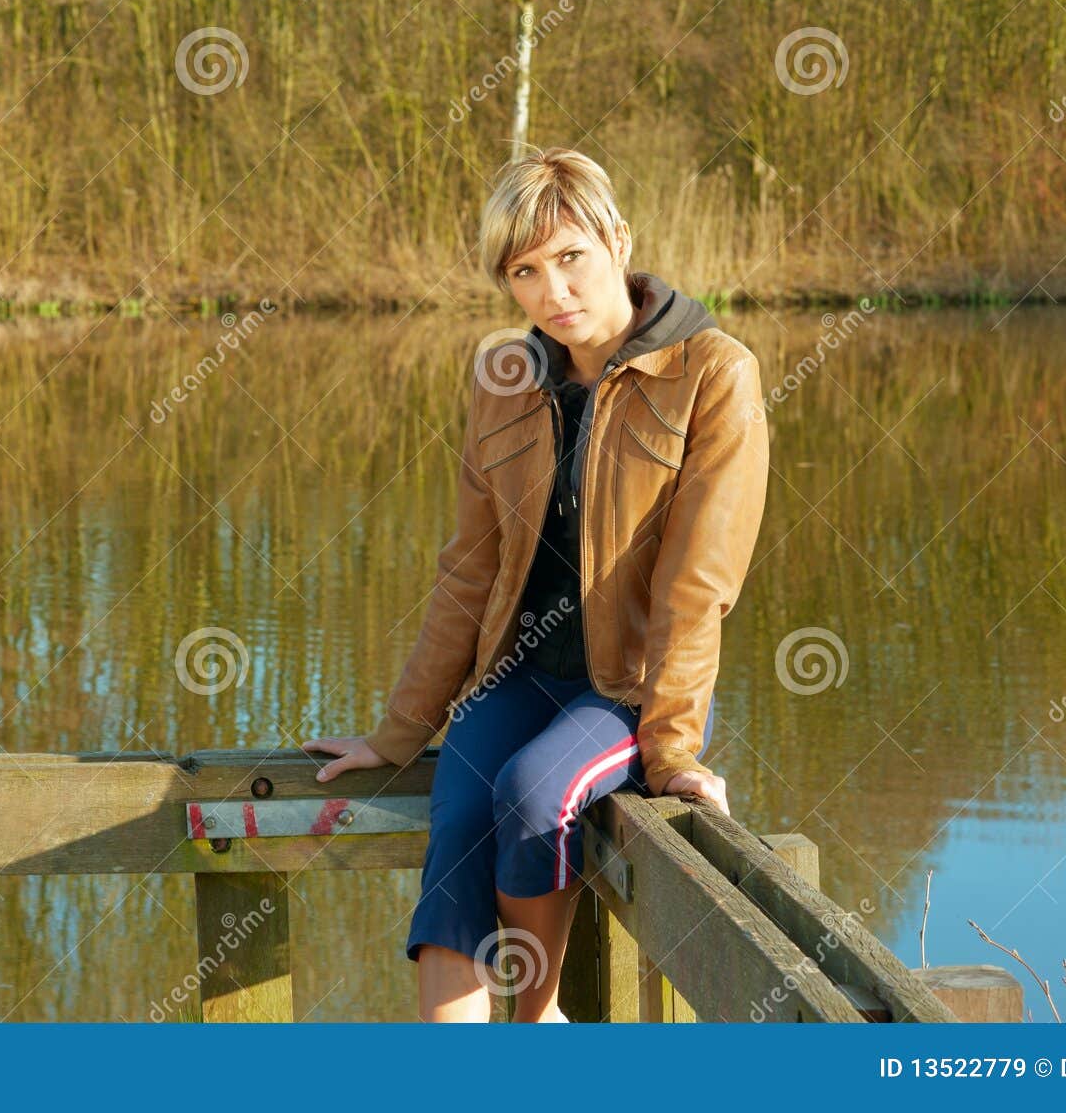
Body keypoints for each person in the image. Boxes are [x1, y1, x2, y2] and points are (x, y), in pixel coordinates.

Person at [301, 146, 769, 1022]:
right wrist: (400, 729)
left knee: (533, 793)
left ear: (617, 239)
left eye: (570, 258)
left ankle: (538, 1023)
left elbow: (696, 584)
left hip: (628, 689)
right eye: (525, 270)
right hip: (517, 676)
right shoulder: (503, 380)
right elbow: (469, 569)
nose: (553, 290)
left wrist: (670, 752)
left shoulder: (712, 373)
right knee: (457, 827)